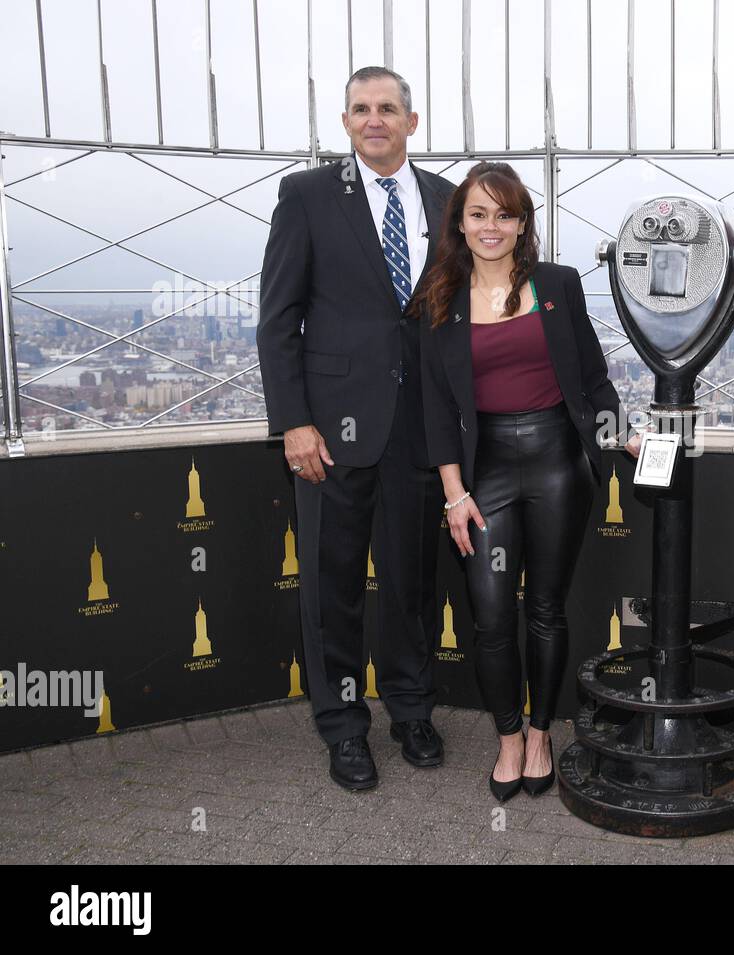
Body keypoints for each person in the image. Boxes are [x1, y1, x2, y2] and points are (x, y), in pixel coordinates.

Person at [412, 162, 641, 802]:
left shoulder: (558, 285)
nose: (492, 226)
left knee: (543, 610)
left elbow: (592, 379)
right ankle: (507, 737)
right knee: (489, 618)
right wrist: (454, 494)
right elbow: (435, 408)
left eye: (505, 214)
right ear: (460, 221)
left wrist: (626, 434)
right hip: (482, 470)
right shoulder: (440, 297)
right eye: (479, 214)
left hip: (557, 461)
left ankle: (541, 734)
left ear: (522, 223)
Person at [257, 66, 455, 791]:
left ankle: (411, 710)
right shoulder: (307, 196)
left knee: (412, 580)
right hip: (329, 433)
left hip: (418, 430)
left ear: (413, 119)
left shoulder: (447, 199)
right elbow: (278, 318)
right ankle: (343, 726)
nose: (375, 120)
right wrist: (294, 422)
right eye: (360, 109)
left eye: (388, 109)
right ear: (345, 122)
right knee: (332, 584)